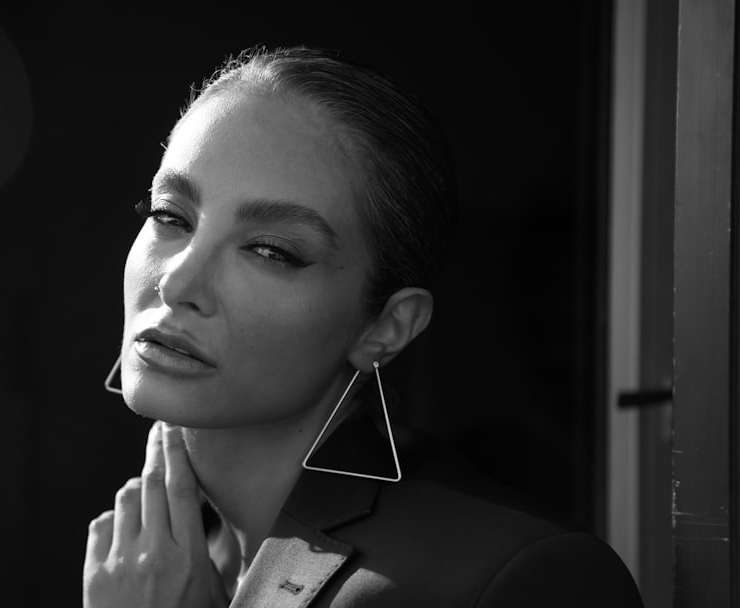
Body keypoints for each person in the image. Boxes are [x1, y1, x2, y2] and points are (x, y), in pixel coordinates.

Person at [83, 46, 643, 607]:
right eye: (170, 216)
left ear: (385, 327)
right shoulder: (144, 563)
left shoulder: (516, 579)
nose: (177, 283)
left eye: (271, 250)